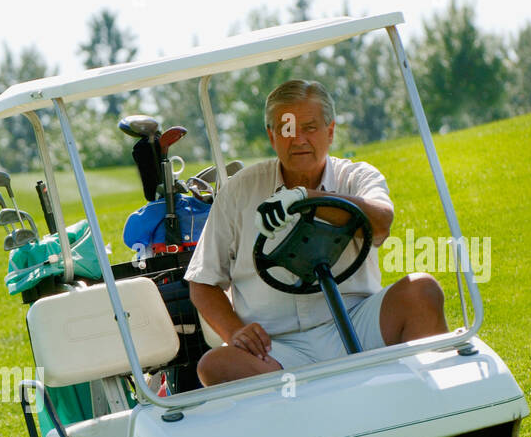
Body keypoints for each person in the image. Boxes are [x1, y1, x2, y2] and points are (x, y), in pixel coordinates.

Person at [185, 79, 448, 386]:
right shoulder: (240, 190)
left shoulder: (357, 176)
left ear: (330, 131)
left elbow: (381, 222)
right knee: (214, 365)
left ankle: (427, 405)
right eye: (286, 130)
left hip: (357, 318)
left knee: (422, 291)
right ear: (272, 136)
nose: (298, 140)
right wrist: (235, 332)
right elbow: (202, 283)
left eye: (309, 127)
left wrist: (306, 198)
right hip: (277, 345)